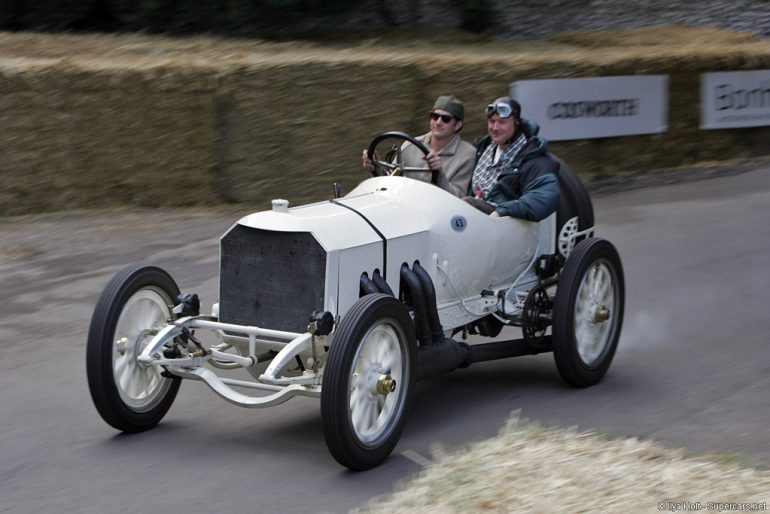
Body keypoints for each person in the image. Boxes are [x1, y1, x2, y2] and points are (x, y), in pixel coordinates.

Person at [465, 96, 560, 222]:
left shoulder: (535, 158)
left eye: (502, 122)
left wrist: (502, 211)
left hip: (506, 221)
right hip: (478, 216)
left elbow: (543, 197)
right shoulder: (485, 147)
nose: (495, 127)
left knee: (467, 203)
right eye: (492, 121)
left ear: (516, 124)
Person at [362, 95, 476, 197]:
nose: (438, 122)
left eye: (446, 119)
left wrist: (440, 174)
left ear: (457, 125)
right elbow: (391, 182)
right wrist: (375, 167)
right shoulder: (410, 144)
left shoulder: (468, 155)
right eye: (435, 116)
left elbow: (459, 199)